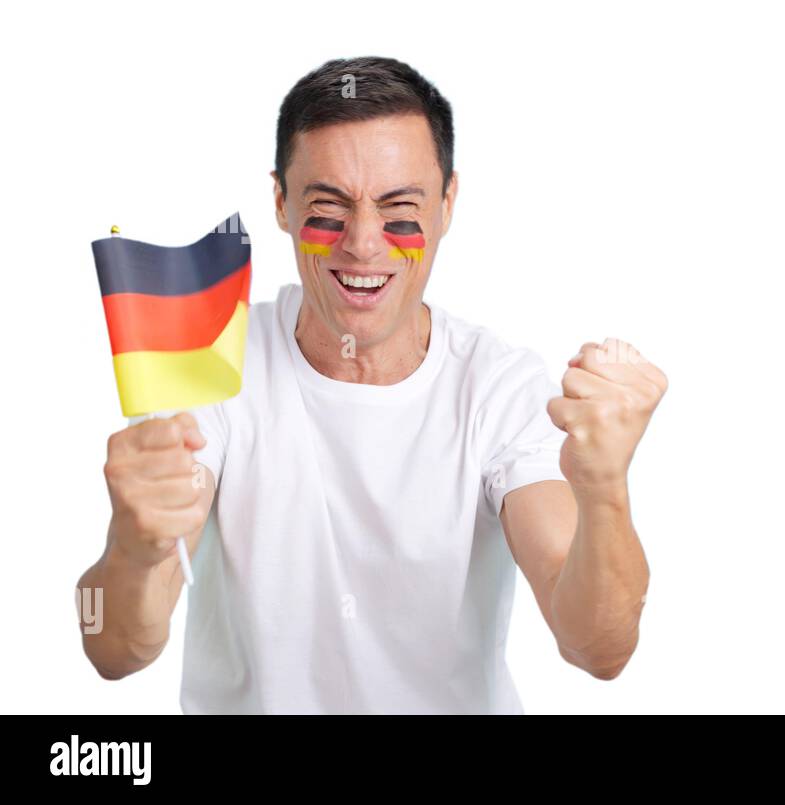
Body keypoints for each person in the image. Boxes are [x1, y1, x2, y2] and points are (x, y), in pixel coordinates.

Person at [76, 56, 667, 713]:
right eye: (328, 207)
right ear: (280, 201)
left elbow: (599, 648)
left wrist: (606, 487)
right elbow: (115, 651)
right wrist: (131, 547)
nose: (362, 243)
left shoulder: (497, 388)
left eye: (399, 210)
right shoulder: (214, 365)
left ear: (447, 205)